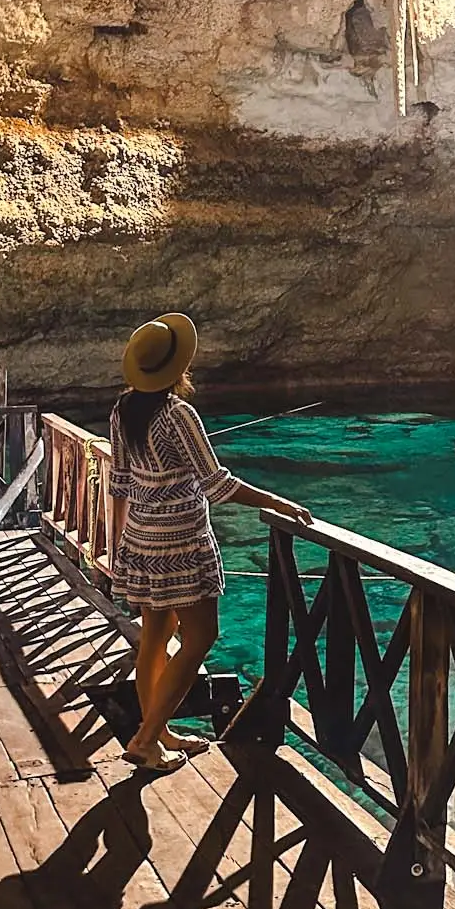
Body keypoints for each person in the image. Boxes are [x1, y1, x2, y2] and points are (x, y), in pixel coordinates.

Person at [109, 312, 312, 769]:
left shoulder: (122, 410)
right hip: (181, 546)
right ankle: (144, 739)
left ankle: (159, 733)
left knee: (155, 638)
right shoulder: (178, 415)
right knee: (202, 636)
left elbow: (119, 481)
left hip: (140, 541)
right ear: (178, 365)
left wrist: (117, 543)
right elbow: (217, 484)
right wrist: (277, 501)